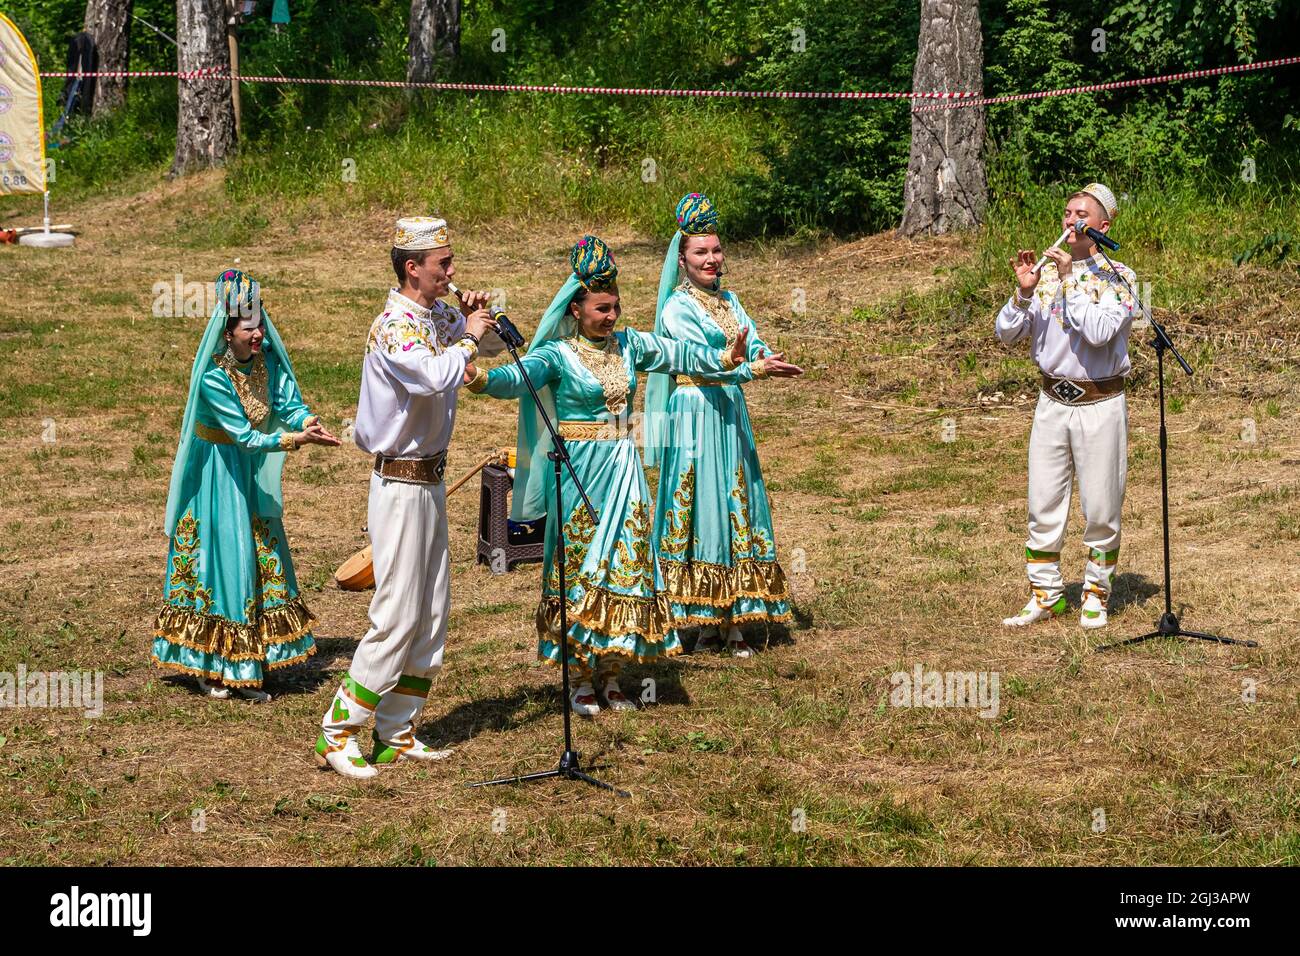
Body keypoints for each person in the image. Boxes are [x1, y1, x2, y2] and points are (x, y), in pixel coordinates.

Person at [463, 235, 753, 716]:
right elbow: (514, 380)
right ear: (575, 309)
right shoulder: (557, 356)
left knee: (626, 565)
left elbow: (677, 355)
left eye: (616, 306)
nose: (612, 316)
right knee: (579, 568)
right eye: (602, 308)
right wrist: (477, 377)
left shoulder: (630, 344)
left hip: (625, 469)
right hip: (579, 471)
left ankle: (614, 673)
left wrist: (727, 358)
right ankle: (579, 677)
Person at [316, 216, 502, 779]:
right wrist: (466, 335)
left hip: (432, 479)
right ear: (410, 267)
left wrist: (481, 316)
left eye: (451, 261)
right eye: (442, 264)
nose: (451, 270)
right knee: (395, 609)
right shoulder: (393, 326)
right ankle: (339, 731)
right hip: (397, 481)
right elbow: (430, 376)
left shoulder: (441, 313)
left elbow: (492, 344)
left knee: (432, 609)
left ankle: (397, 729)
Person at [153, 269, 341, 702]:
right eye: (248, 327)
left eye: (260, 324)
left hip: (248, 471)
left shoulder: (269, 361)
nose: (257, 334)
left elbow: (289, 403)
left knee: (260, 555)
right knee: (222, 560)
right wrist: (295, 440)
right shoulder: (213, 379)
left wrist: (307, 421)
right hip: (216, 476)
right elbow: (245, 436)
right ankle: (213, 666)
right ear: (227, 331)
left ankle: (246, 660)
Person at [645, 193, 803, 657]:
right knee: (702, 501)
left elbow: (748, 339)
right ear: (683, 258)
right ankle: (706, 615)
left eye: (715, 250)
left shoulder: (730, 300)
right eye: (700, 252)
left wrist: (765, 356)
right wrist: (751, 369)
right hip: (694, 408)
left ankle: (732, 618)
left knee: (737, 493)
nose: (711, 259)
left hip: (729, 409)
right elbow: (704, 362)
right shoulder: (677, 308)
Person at [996, 183, 1137, 630]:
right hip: (1051, 401)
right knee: (1043, 503)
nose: (1070, 220)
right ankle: (1046, 594)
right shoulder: (1045, 274)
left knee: (1100, 506)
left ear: (1102, 226)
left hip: (1101, 402)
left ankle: (1096, 593)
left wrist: (1072, 279)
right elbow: (1006, 334)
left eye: (1081, 213)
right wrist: (1023, 293)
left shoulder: (1123, 277)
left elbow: (1098, 331)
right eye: (1066, 212)